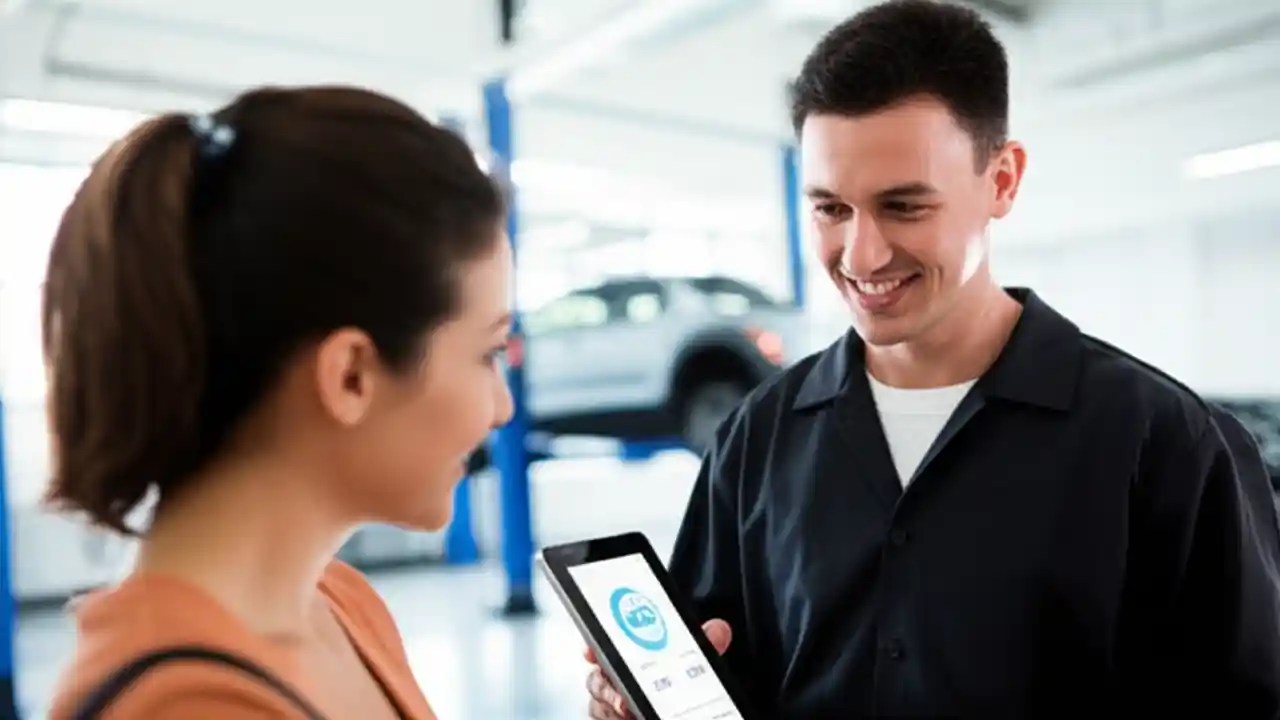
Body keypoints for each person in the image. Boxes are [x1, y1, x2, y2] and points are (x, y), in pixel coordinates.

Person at [586, 0, 1280, 717]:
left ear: (1002, 180)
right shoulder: (753, 443)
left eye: (904, 207)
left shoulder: (1165, 444)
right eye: (830, 209)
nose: (861, 255)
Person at [44, 86, 514, 718]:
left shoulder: (343, 607)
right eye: (487, 355)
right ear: (350, 375)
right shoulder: (187, 706)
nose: (503, 407)